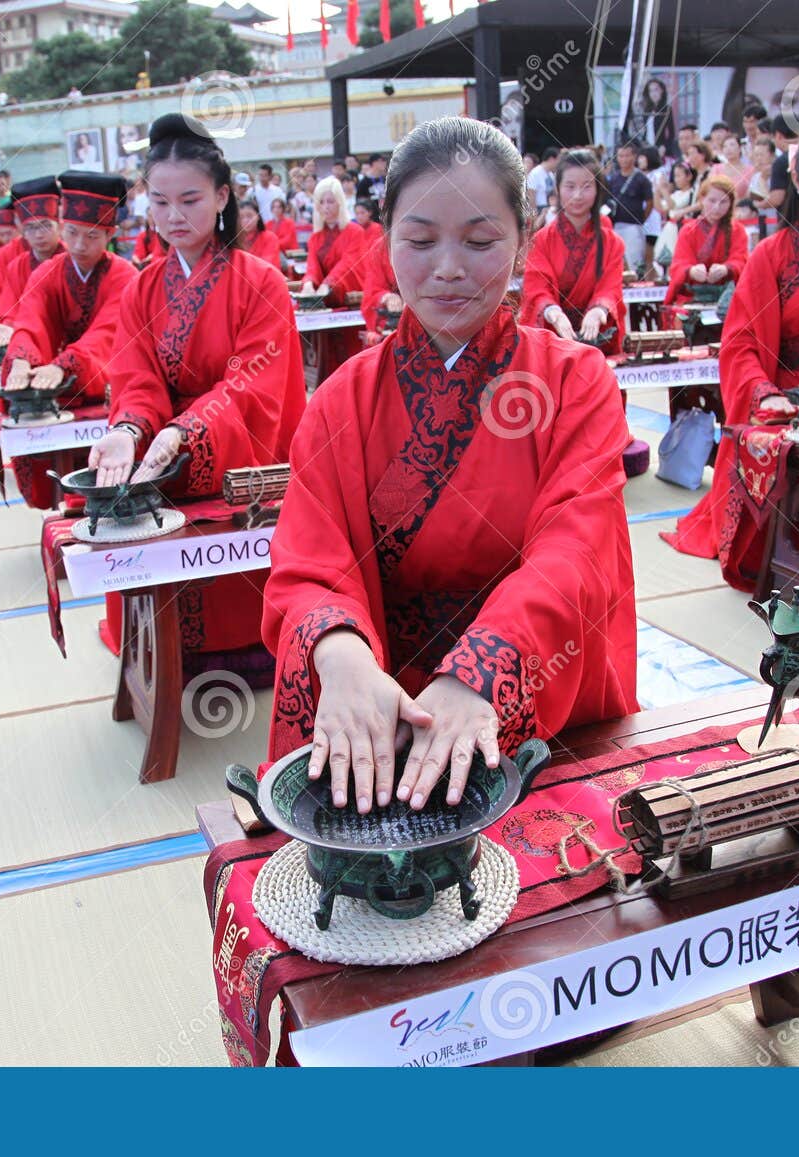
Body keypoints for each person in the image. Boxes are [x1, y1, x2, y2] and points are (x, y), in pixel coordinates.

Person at [261, 115, 637, 807]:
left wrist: (482, 670)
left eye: (481, 240)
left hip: (527, 690)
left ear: (523, 245)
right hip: (384, 707)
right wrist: (340, 657)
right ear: (386, 243)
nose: (448, 268)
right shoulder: (342, 397)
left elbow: (575, 551)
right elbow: (309, 560)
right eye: (421, 239)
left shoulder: (574, 381)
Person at [86, 113, 304, 660]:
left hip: (232, 449)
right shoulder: (142, 290)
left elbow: (254, 385)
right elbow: (135, 377)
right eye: (159, 202)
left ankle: (248, 641)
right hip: (161, 448)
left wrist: (186, 432)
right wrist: (130, 429)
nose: (173, 216)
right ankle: (157, 649)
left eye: (190, 200)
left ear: (223, 196)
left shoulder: (262, 283)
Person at [662, 129, 799, 590]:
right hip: (773, 392)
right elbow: (741, 340)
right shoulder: (769, 253)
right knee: (755, 536)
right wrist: (764, 393)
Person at [1, 172, 138, 508]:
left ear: (110, 234)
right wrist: (21, 357)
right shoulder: (47, 272)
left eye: (91, 236)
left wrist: (65, 365)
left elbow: (110, 334)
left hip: (111, 386)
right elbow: (31, 318)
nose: (78, 245)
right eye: (72, 232)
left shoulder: (126, 275)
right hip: (62, 387)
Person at [522, 147, 626, 355]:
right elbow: (536, 286)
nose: (578, 195)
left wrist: (599, 309)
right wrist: (553, 313)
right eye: (570, 186)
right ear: (558, 189)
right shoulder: (541, 241)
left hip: (598, 334)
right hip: (553, 335)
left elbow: (610, 287)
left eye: (586, 186)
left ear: (598, 189)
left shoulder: (612, 243)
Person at [0, 178, 64, 340]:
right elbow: (9, 309)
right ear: (23, 231)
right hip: (28, 337)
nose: (39, 234)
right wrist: (6, 325)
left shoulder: (74, 260)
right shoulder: (17, 266)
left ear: (59, 226)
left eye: (46, 225)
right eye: (31, 228)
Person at [663, 176, 749, 307]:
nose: (717, 207)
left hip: (727, 294)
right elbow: (679, 264)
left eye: (723, 202)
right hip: (691, 295)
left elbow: (741, 260)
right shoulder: (688, 231)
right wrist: (691, 271)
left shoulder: (737, 230)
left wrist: (726, 269)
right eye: (712, 200)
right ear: (702, 199)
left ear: (731, 203)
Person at [299, 175, 368, 303]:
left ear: (340, 202)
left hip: (350, 297)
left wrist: (329, 283)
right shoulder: (315, 237)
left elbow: (349, 264)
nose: (326, 206)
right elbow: (312, 267)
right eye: (321, 202)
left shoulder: (355, 232)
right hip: (323, 296)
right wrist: (308, 282)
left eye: (330, 201)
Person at [606, 141, 653, 272]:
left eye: (627, 155)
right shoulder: (613, 179)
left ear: (634, 156)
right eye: (621, 156)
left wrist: (641, 219)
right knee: (614, 263)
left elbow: (650, 202)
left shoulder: (641, 179)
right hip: (615, 226)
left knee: (635, 262)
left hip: (633, 225)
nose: (624, 159)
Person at [237, 198, 283, 270]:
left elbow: (268, 266)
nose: (245, 220)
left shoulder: (270, 238)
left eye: (249, 216)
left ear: (258, 216)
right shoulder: (235, 240)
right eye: (241, 217)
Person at [526, 147, 558, 218]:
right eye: (557, 161)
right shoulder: (535, 173)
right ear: (551, 159)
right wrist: (534, 214)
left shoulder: (551, 174)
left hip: (549, 210)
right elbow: (531, 195)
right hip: (539, 210)